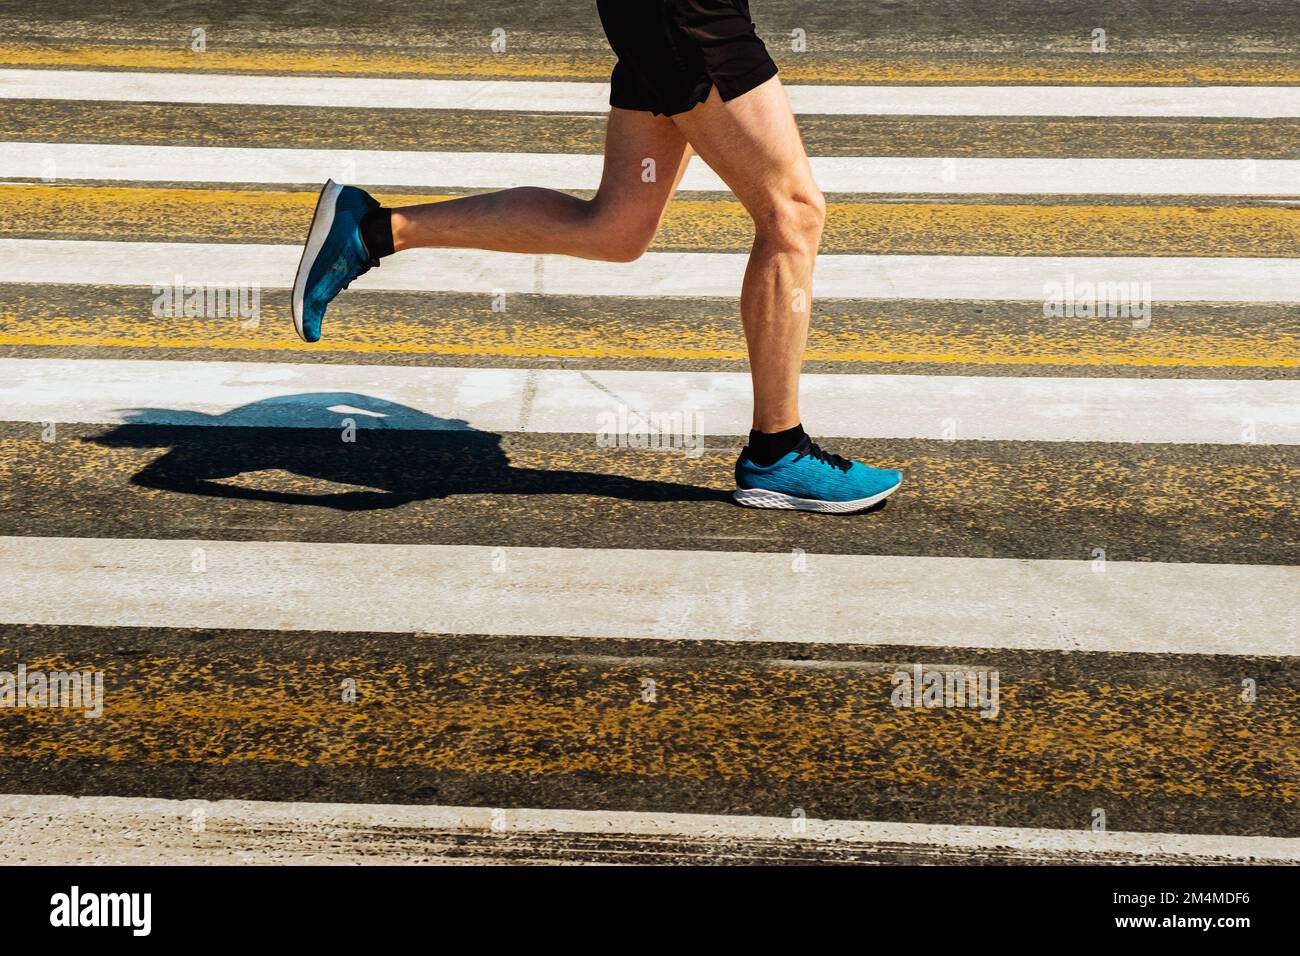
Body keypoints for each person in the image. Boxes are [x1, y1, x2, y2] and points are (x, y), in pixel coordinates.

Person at [291, 0, 901, 513]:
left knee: (615, 228)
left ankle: (369, 232)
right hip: (685, 12)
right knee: (792, 212)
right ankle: (778, 450)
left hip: (668, 14)